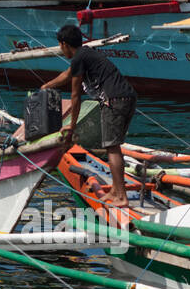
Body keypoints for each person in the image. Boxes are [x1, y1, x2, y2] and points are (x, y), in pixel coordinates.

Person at [44, 24, 137, 208]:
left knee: (112, 148)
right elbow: (67, 75)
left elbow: (75, 95)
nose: (61, 50)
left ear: (64, 44)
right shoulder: (85, 54)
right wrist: (46, 86)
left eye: (60, 46)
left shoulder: (80, 57)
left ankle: (122, 197)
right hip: (127, 98)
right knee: (113, 146)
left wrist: (72, 125)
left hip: (114, 100)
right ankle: (115, 191)